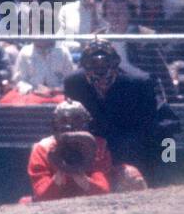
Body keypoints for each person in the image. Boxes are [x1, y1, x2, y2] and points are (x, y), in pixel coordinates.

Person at [63, 38, 177, 183]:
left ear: (116, 65)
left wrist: (169, 164)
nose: (102, 82)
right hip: (95, 143)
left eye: (106, 72)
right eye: (95, 69)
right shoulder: (74, 83)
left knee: (162, 134)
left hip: (134, 140)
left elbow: (167, 126)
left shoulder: (140, 83)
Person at [26, 99, 145, 202]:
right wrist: (61, 172)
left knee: (130, 174)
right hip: (55, 200)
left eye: (77, 121)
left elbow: (102, 191)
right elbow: (42, 196)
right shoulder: (42, 149)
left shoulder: (97, 145)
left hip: (90, 199)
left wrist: (79, 175)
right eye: (64, 122)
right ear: (54, 126)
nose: (71, 128)